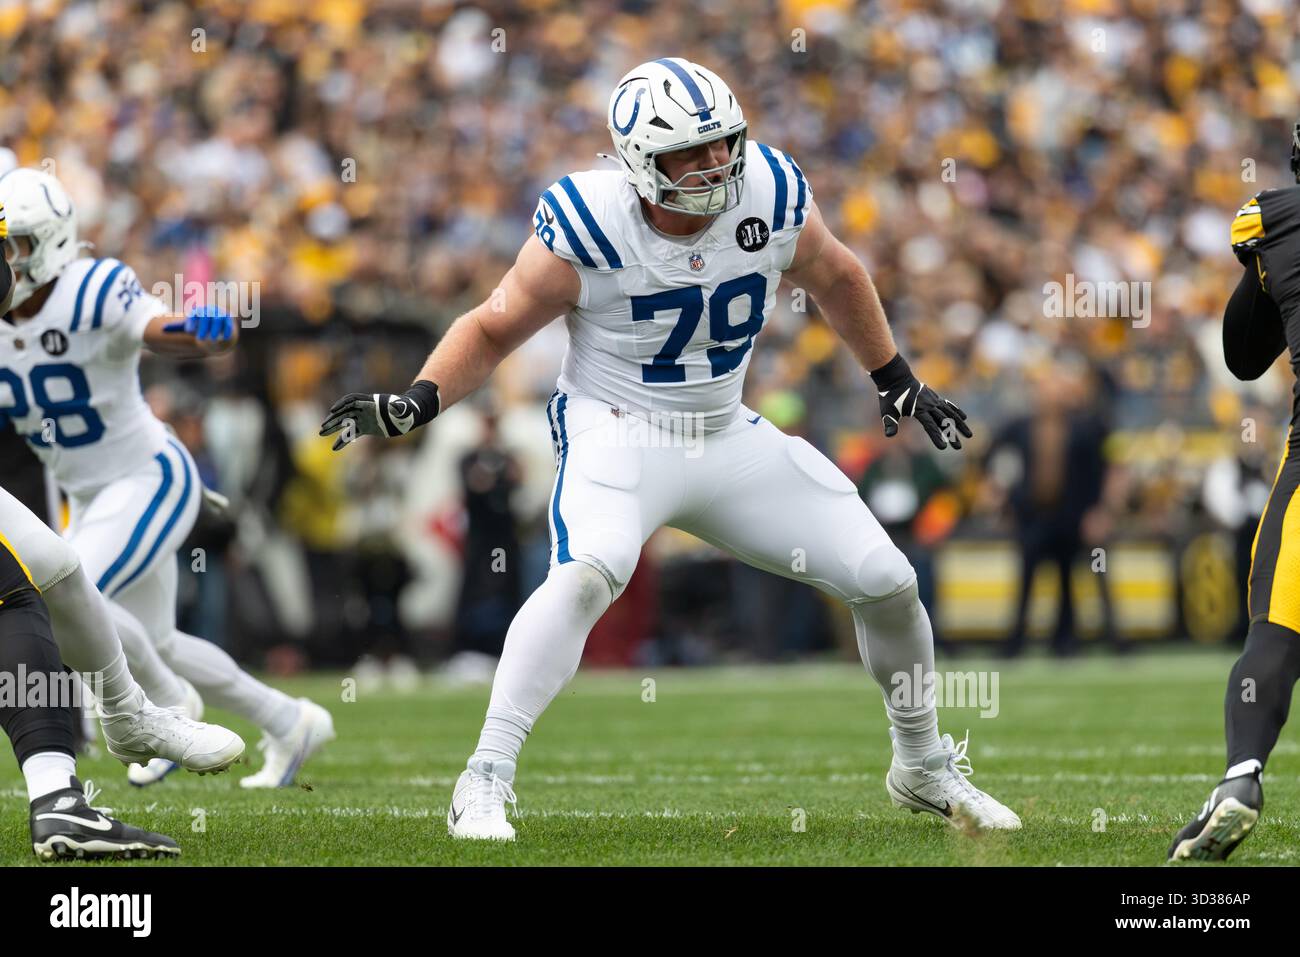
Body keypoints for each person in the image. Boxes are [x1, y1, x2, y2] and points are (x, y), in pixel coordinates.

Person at [322, 58, 1020, 841]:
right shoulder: (588, 223)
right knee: (591, 570)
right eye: (689, 153)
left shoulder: (771, 191)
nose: (714, 165)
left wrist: (894, 376)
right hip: (616, 427)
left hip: (721, 428)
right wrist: (420, 398)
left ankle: (921, 764)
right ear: (637, 162)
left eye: (722, 144)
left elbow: (835, 272)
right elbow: (490, 326)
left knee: (887, 578)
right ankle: (484, 773)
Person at [0, 167, 333, 789]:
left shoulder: (91, 288)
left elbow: (160, 328)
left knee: (70, 593)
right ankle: (289, 720)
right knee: (157, 638)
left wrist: (205, 332)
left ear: (47, 244)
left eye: (12, 245)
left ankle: (164, 706)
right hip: (85, 493)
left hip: (147, 478)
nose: (5, 260)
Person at [1169, 121, 1300, 861]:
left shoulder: (1278, 218)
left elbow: (1242, 356)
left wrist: (1260, 268)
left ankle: (1242, 774)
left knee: (1277, 631)